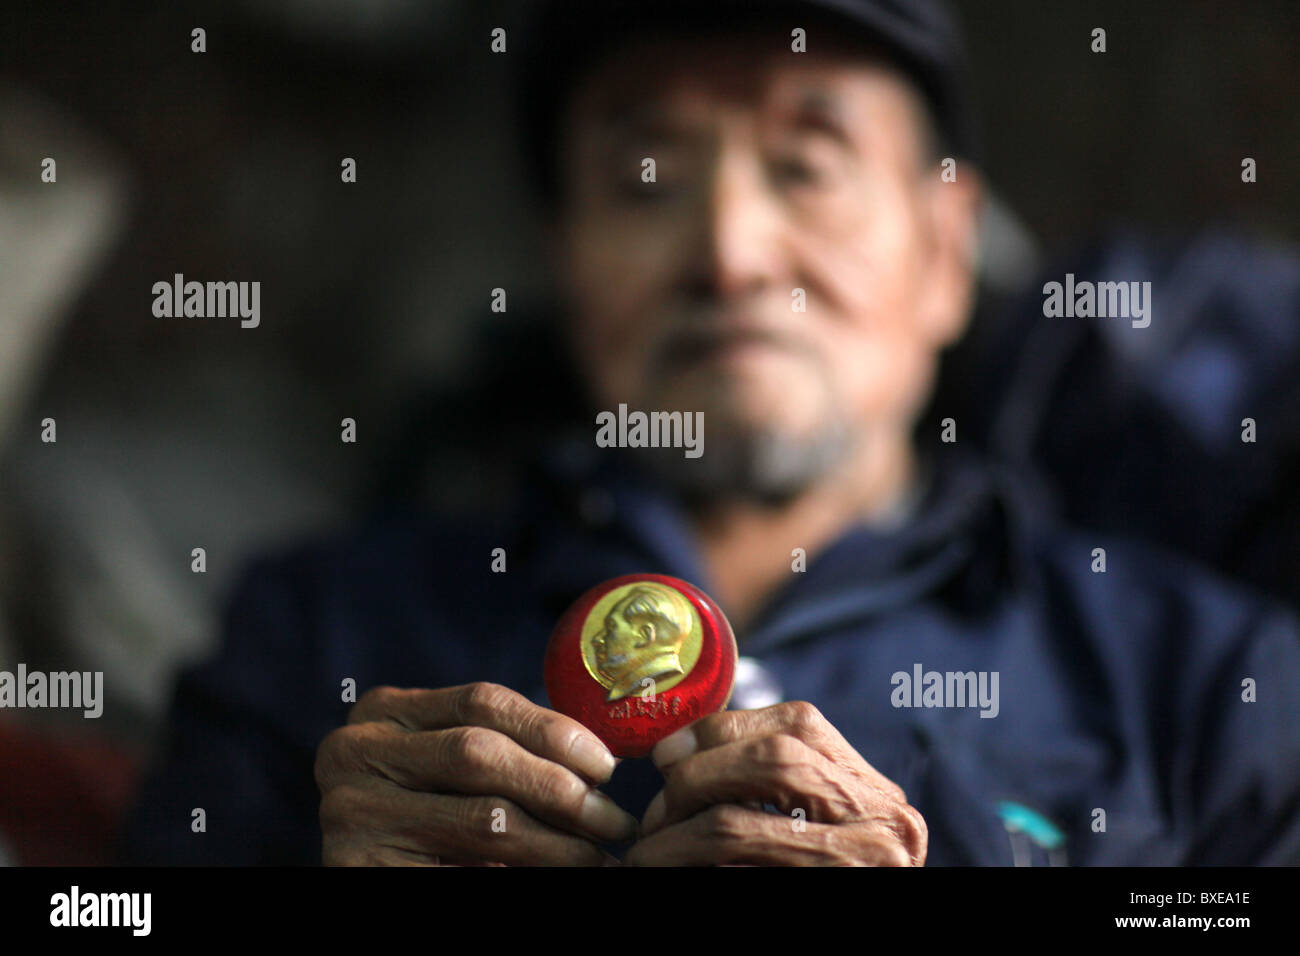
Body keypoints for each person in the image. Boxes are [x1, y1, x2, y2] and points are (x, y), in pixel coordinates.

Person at [120, 0, 1300, 866]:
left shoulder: (1210, 682)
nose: (731, 251)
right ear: (566, 263)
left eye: (806, 166)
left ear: (945, 252)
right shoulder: (320, 629)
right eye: (645, 178)